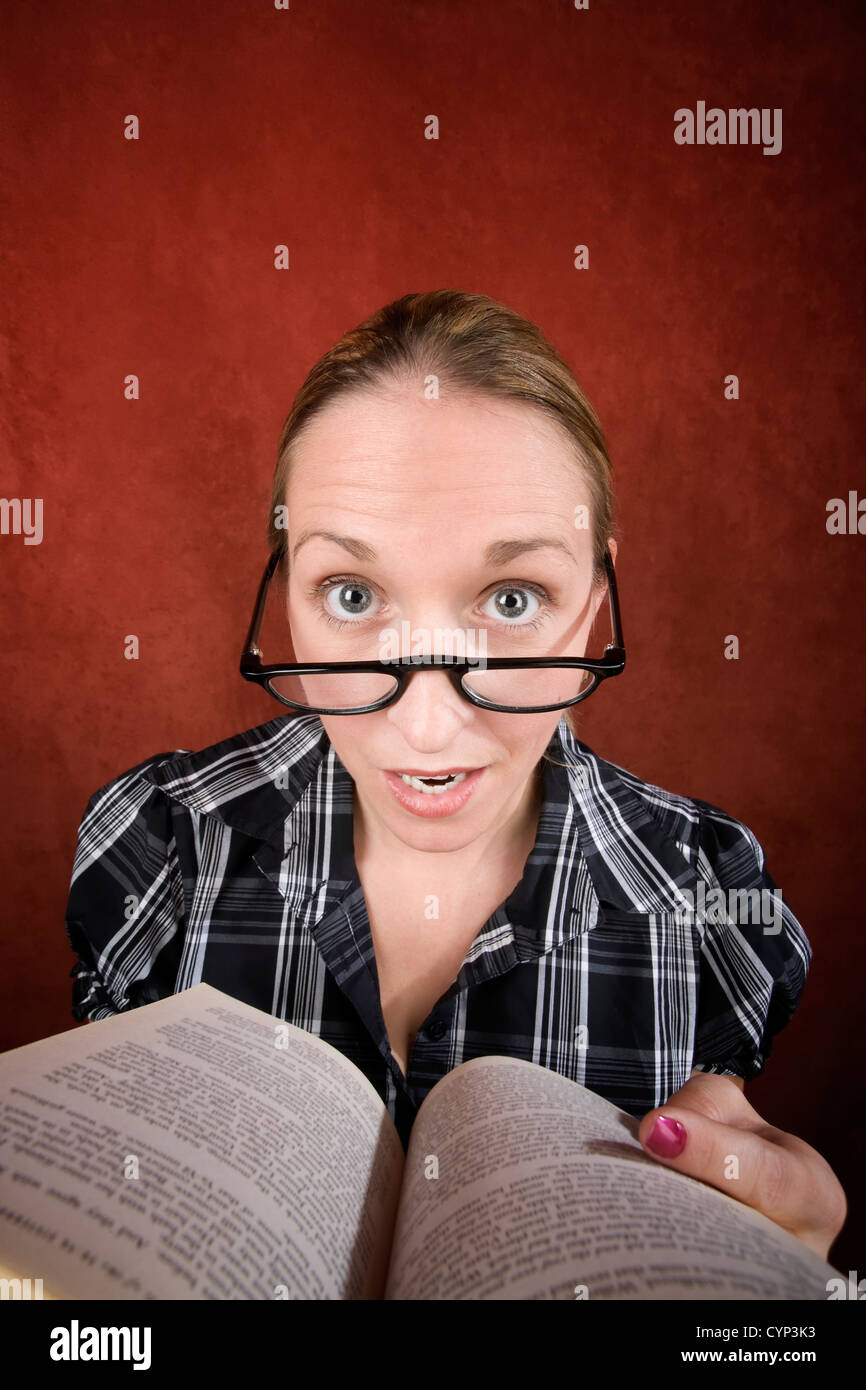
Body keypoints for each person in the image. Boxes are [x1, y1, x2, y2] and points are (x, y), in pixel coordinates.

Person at [64, 289, 846, 1262]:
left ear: (597, 604)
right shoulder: (156, 851)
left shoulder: (709, 896)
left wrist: (780, 1289)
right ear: (289, 592)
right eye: (352, 594)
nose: (426, 722)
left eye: (511, 597)